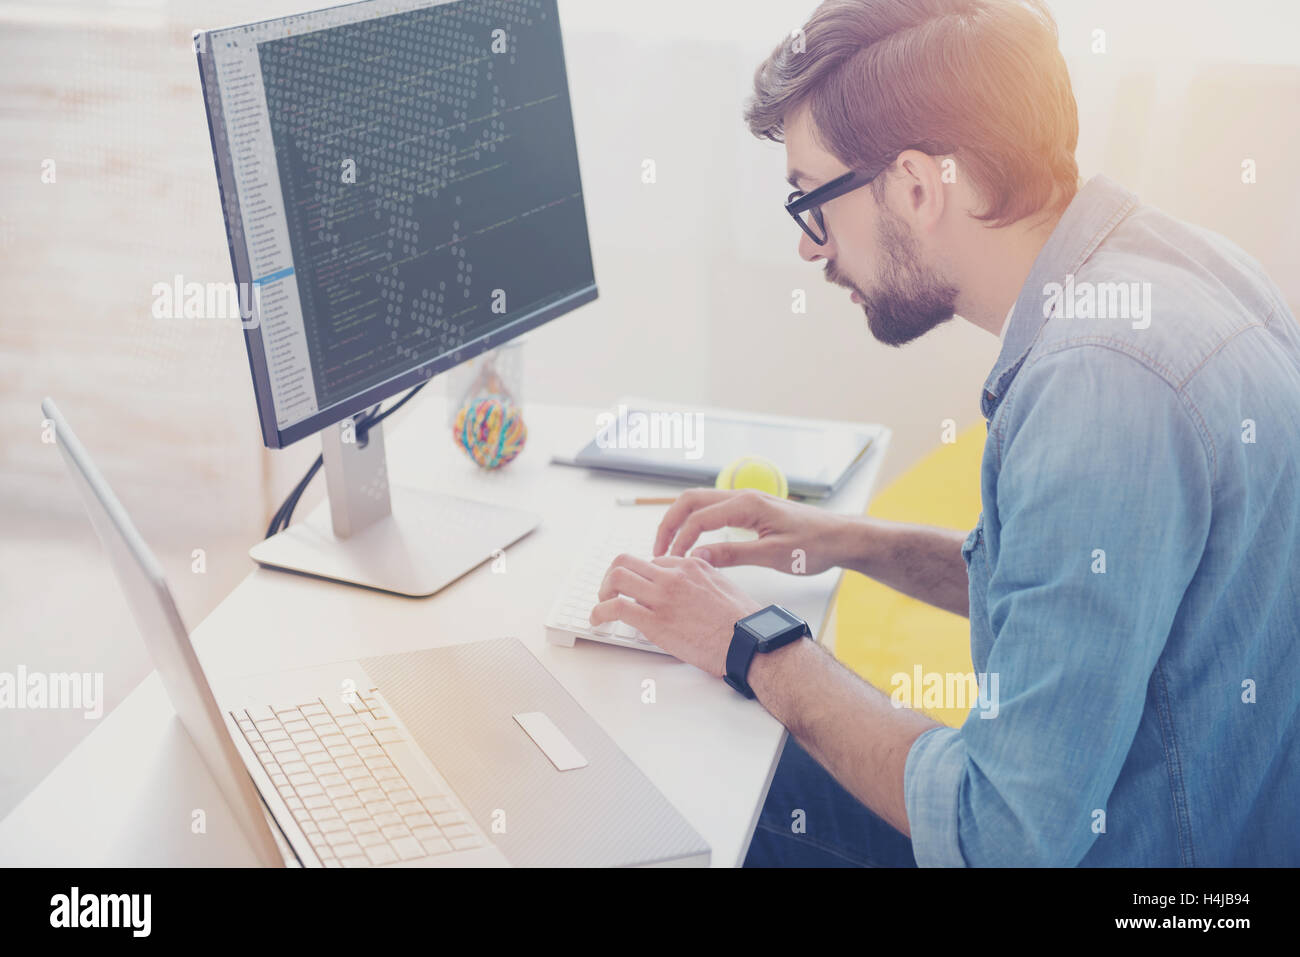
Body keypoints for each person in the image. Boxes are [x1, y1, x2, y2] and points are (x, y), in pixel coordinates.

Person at [588, 0, 1300, 866]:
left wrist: (753, 643)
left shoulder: (1099, 386)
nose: (812, 249)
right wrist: (843, 539)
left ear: (920, 186)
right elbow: (1076, 594)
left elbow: (999, 837)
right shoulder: (1184, 266)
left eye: (811, 199)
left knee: (709, 771)